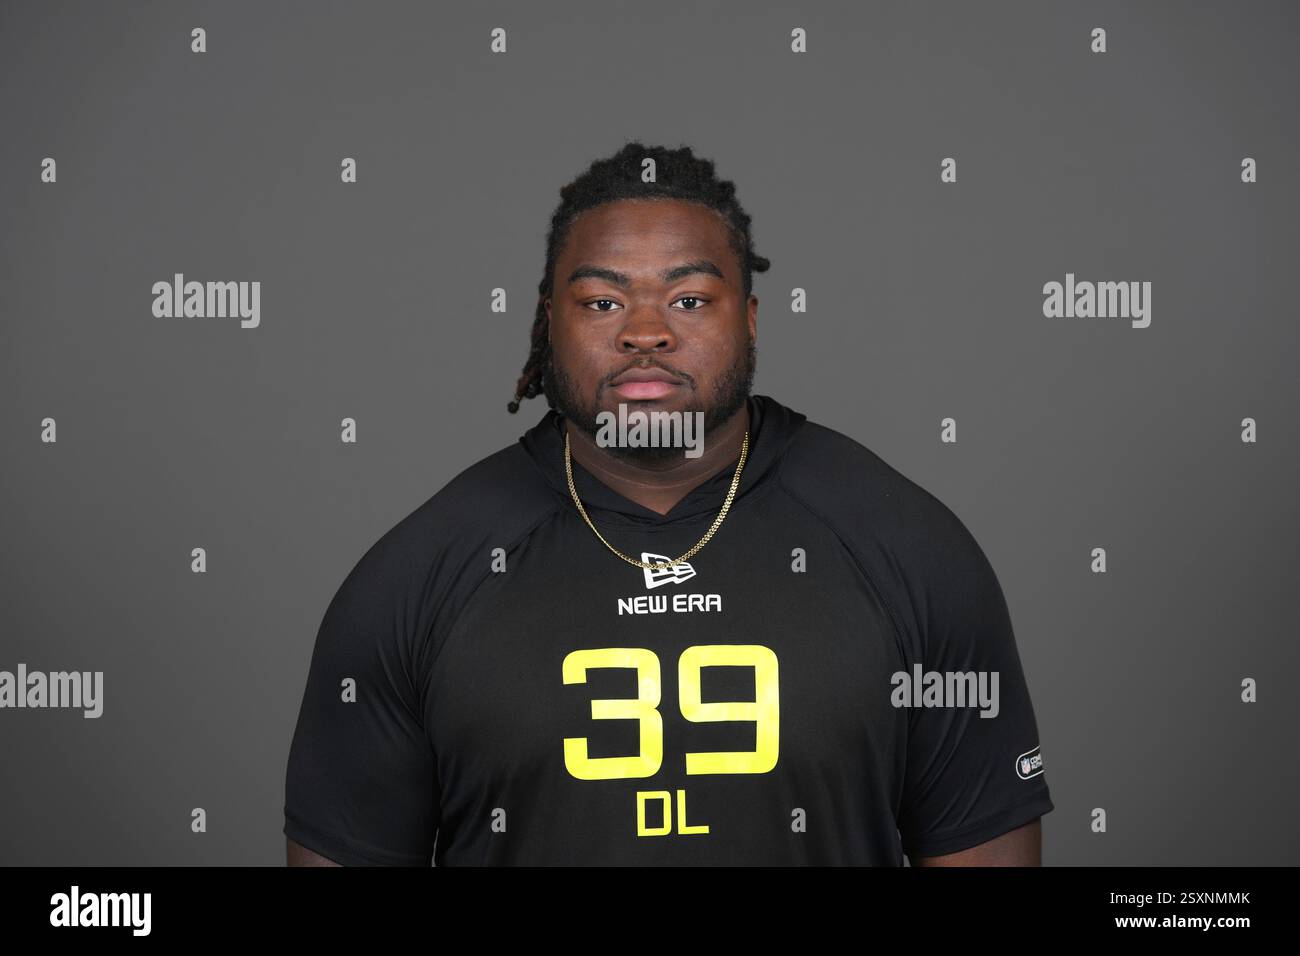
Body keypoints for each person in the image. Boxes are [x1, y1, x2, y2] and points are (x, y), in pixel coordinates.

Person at [284, 142, 1054, 866]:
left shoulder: (908, 549)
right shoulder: (415, 580)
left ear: (749, 319)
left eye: (689, 299)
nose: (645, 332)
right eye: (600, 303)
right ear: (547, 322)